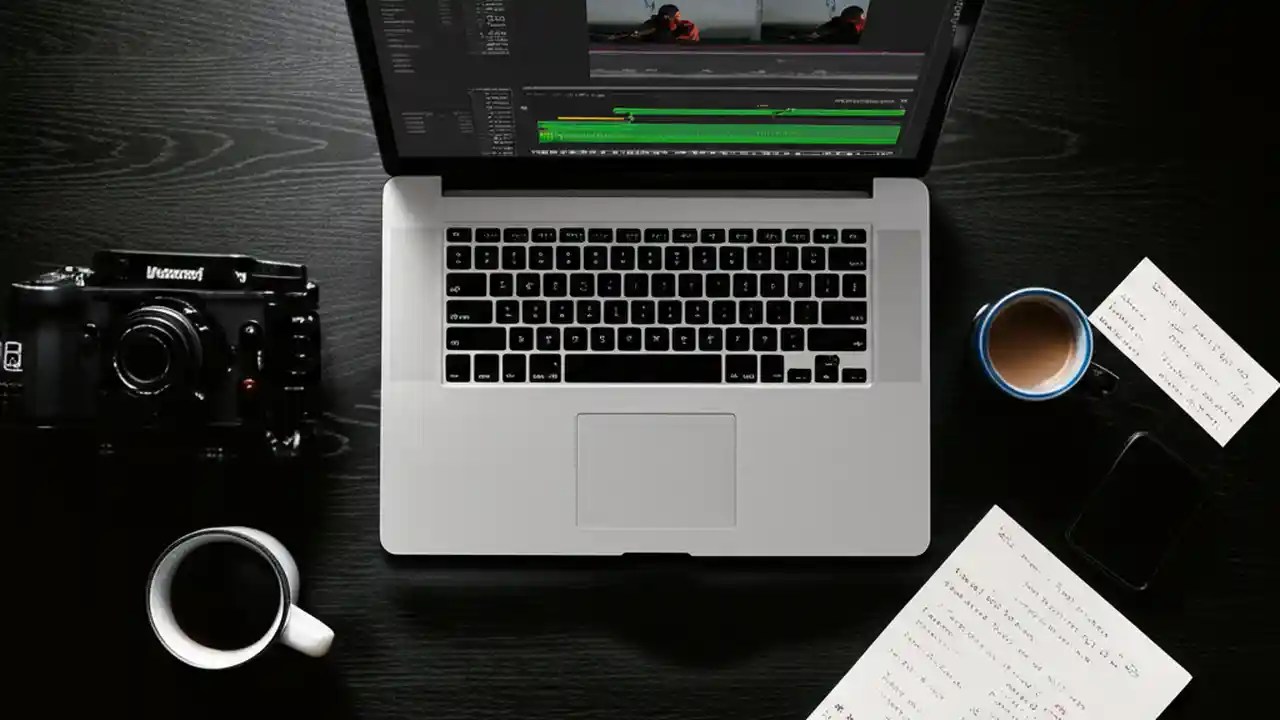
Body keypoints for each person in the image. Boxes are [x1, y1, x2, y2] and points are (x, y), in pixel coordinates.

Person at [609, 4, 701, 44]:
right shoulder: (653, 25)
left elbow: (689, 41)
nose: (678, 18)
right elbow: (639, 33)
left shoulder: (687, 27)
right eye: (676, 16)